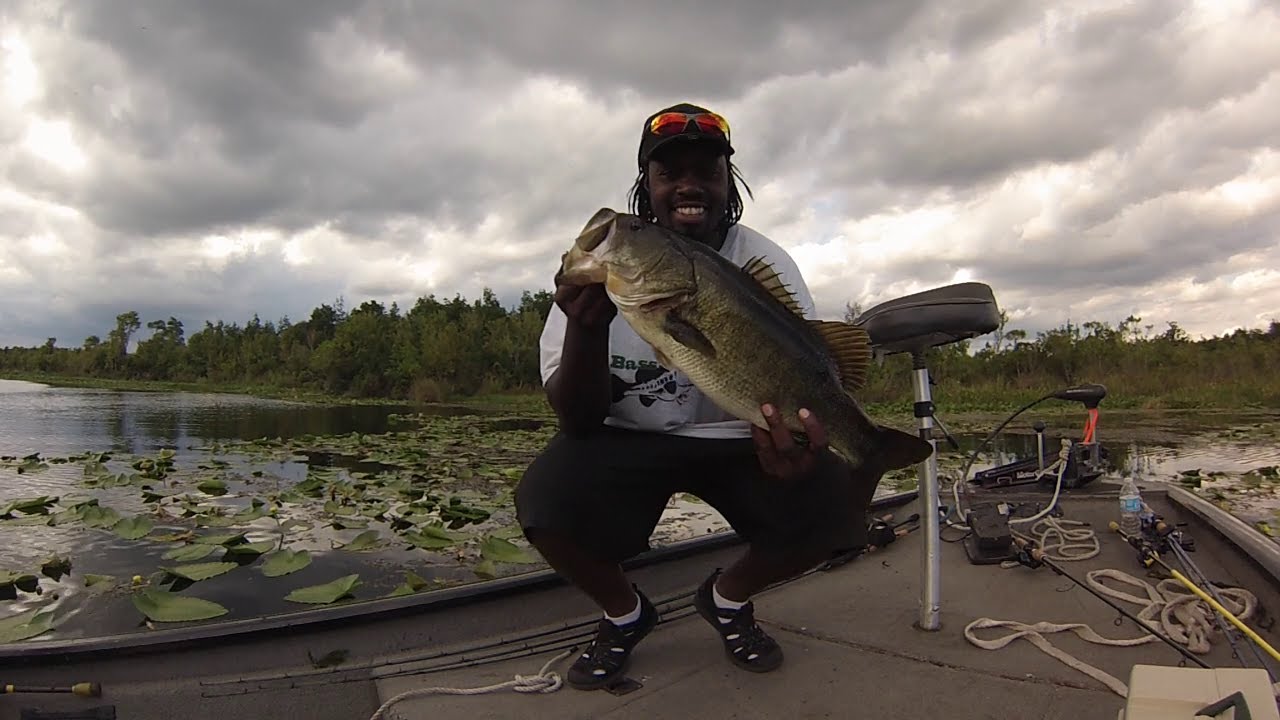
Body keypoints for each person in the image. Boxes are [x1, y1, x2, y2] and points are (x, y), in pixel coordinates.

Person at [516, 102, 883, 690]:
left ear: (727, 183)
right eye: (669, 174)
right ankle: (626, 614)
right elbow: (578, 420)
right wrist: (585, 330)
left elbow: (810, 370)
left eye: (706, 172)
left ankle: (728, 598)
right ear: (649, 188)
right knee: (545, 500)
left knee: (839, 513)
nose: (689, 186)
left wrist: (799, 450)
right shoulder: (604, 275)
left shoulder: (767, 262)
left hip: (743, 434)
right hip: (629, 436)